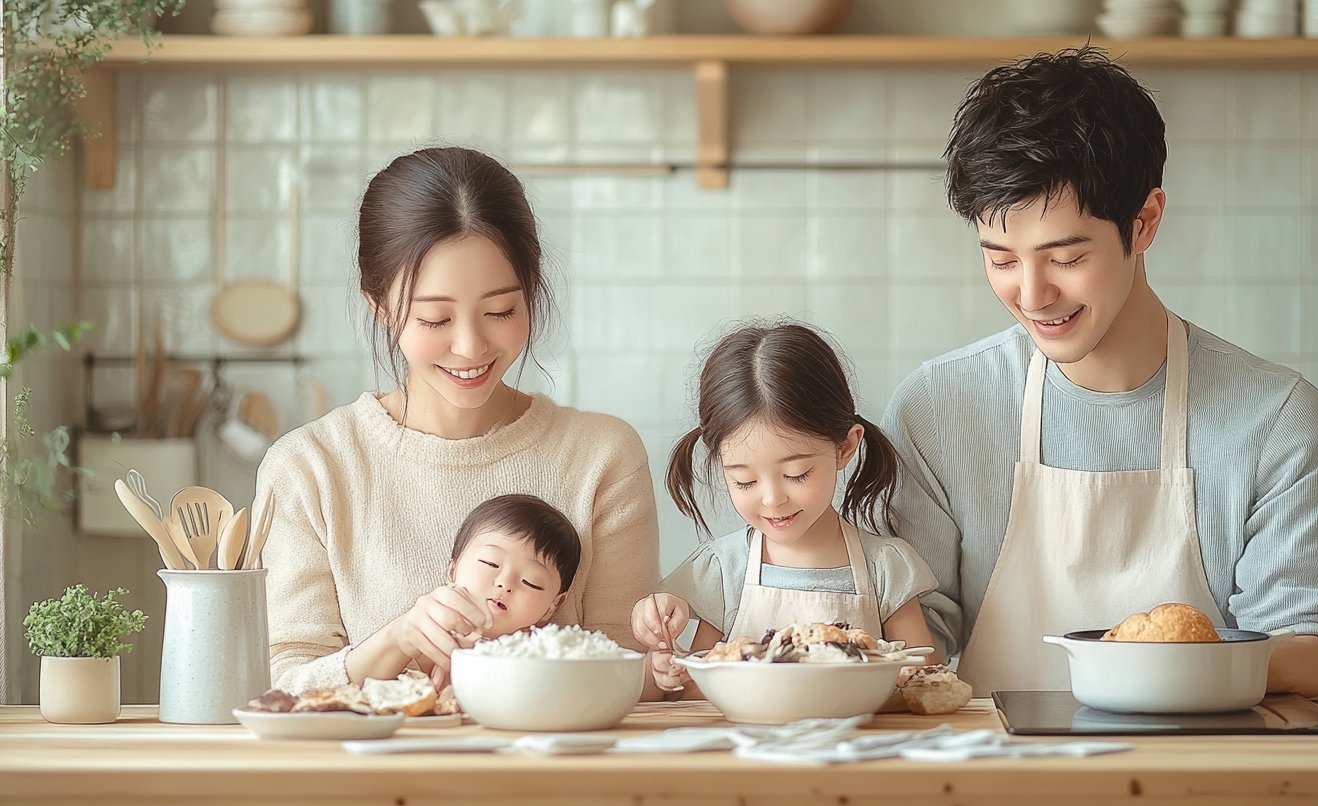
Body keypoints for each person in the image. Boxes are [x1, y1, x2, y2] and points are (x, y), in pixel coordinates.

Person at [884, 46, 1318, 699]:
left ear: (1145, 222)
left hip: (1199, 786)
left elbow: (1315, 656)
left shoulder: (1279, 421)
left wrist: (1149, 661)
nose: (1032, 294)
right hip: (992, 784)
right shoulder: (936, 409)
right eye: (1000, 259)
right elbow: (909, 640)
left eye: (1066, 257)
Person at [257, 146, 658, 694]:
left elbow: (631, 669)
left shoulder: (602, 456)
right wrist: (397, 639)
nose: (470, 347)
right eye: (434, 317)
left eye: (500, 312)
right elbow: (285, 682)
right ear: (378, 306)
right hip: (367, 777)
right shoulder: (310, 468)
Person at [635, 321, 940, 694]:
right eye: (744, 481)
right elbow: (700, 690)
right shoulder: (721, 571)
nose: (772, 499)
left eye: (797, 474)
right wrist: (667, 668)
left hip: (858, 747)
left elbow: (923, 682)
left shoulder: (887, 568)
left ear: (845, 447)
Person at [352, 493, 582, 687]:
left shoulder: (550, 655)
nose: (504, 583)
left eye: (531, 582)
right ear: (453, 570)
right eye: (491, 564)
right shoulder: (424, 634)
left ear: (555, 604)